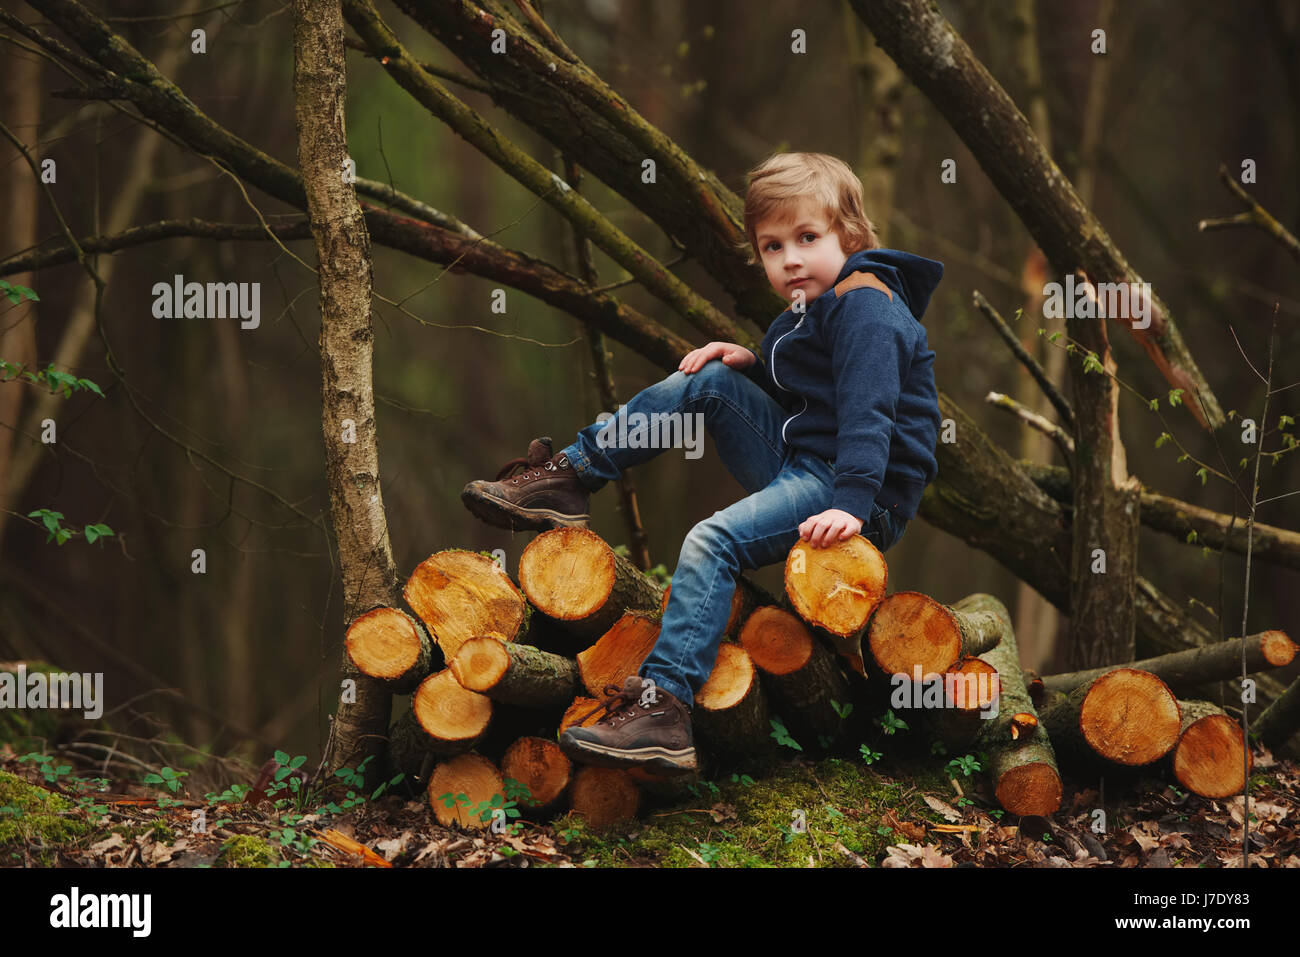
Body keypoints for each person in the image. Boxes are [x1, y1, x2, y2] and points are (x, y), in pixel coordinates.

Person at [460, 152, 943, 775]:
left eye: (807, 238)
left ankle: (664, 709)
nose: (789, 258)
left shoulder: (868, 309)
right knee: (706, 381)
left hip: (855, 490)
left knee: (711, 541)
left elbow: (869, 414)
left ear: (849, 237)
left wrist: (850, 504)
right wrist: (753, 364)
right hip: (815, 460)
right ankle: (571, 477)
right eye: (772, 247)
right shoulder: (822, 305)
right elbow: (815, 400)